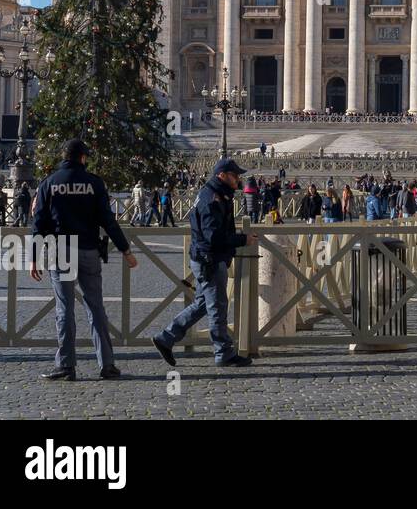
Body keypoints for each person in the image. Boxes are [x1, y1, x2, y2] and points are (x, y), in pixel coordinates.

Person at [32, 139, 138, 381]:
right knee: (96, 308)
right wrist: (125, 250)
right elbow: (108, 221)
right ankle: (107, 364)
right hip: (89, 250)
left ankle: (67, 366)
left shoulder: (48, 183)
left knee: (64, 309)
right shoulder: (94, 183)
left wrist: (34, 258)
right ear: (82, 158)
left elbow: (38, 224)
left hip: (61, 251)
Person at [151, 158, 256, 368]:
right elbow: (214, 237)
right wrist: (243, 240)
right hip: (209, 260)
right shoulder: (213, 199)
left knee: (203, 304)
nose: (238, 179)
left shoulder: (215, 194)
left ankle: (166, 338)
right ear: (222, 175)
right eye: (235, 175)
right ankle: (223, 353)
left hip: (205, 259)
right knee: (217, 306)